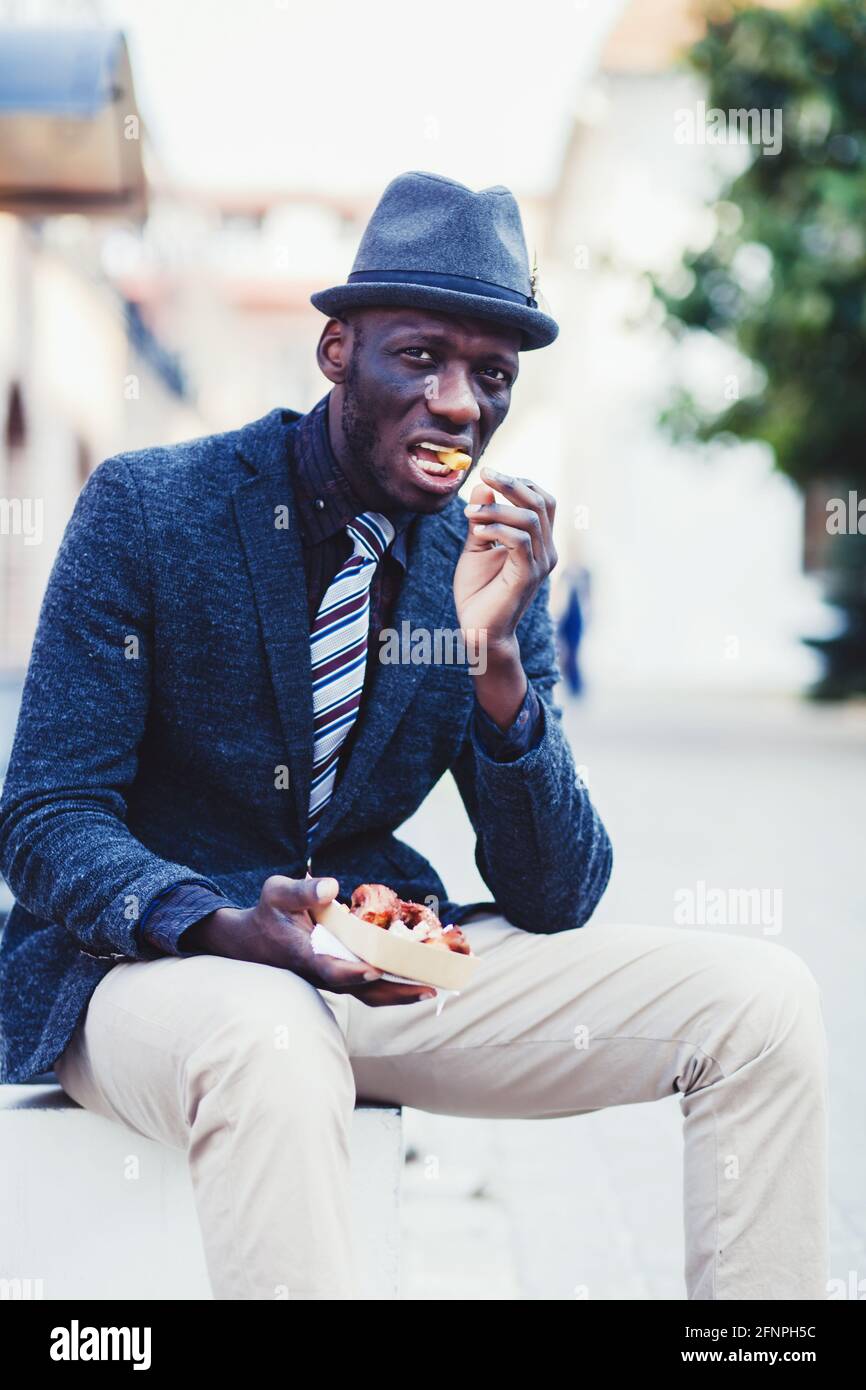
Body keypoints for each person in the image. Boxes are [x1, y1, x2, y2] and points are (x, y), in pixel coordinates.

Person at [0, 171, 828, 1300]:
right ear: (336, 349)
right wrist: (218, 921)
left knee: (760, 1003)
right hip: (155, 970)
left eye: (490, 376)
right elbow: (47, 815)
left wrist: (496, 678)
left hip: (374, 967)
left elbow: (554, 893)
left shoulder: (483, 566)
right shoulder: (150, 509)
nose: (457, 403)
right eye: (421, 356)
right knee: (269, 1037)